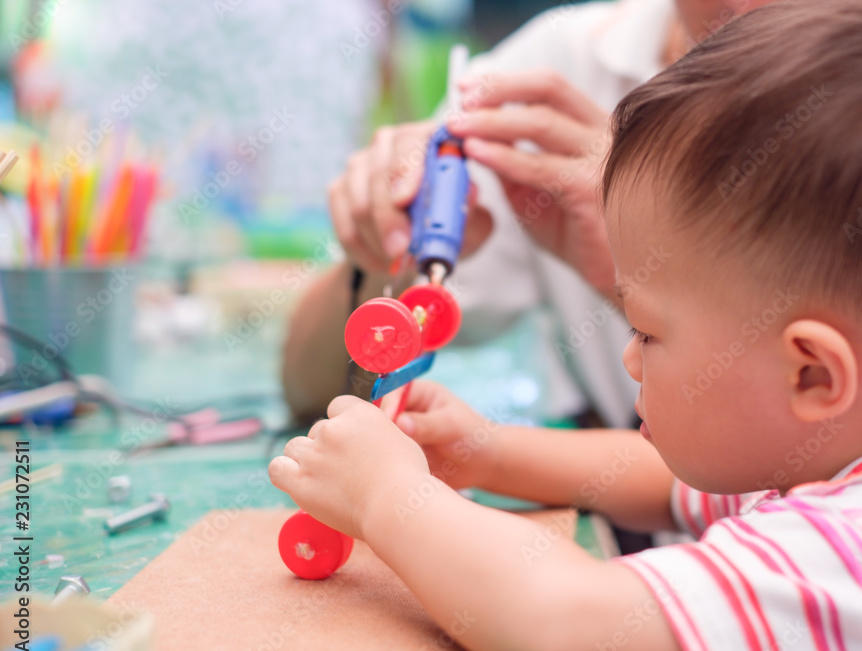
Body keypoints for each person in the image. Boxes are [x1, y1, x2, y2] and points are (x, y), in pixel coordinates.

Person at [270, 0, 862, 651]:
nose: (628, 352)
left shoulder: (855, 558)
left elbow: (561, 622)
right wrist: (485, 451)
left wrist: (388, 497)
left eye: (648, 330)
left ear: (812, 372)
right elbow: (665, 481)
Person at [282, 0, 776, 426]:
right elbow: (313, 388)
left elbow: (802, 467)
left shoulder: (850, 102)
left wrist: (633, 268)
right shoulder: (558, 66)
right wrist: (384, 250)